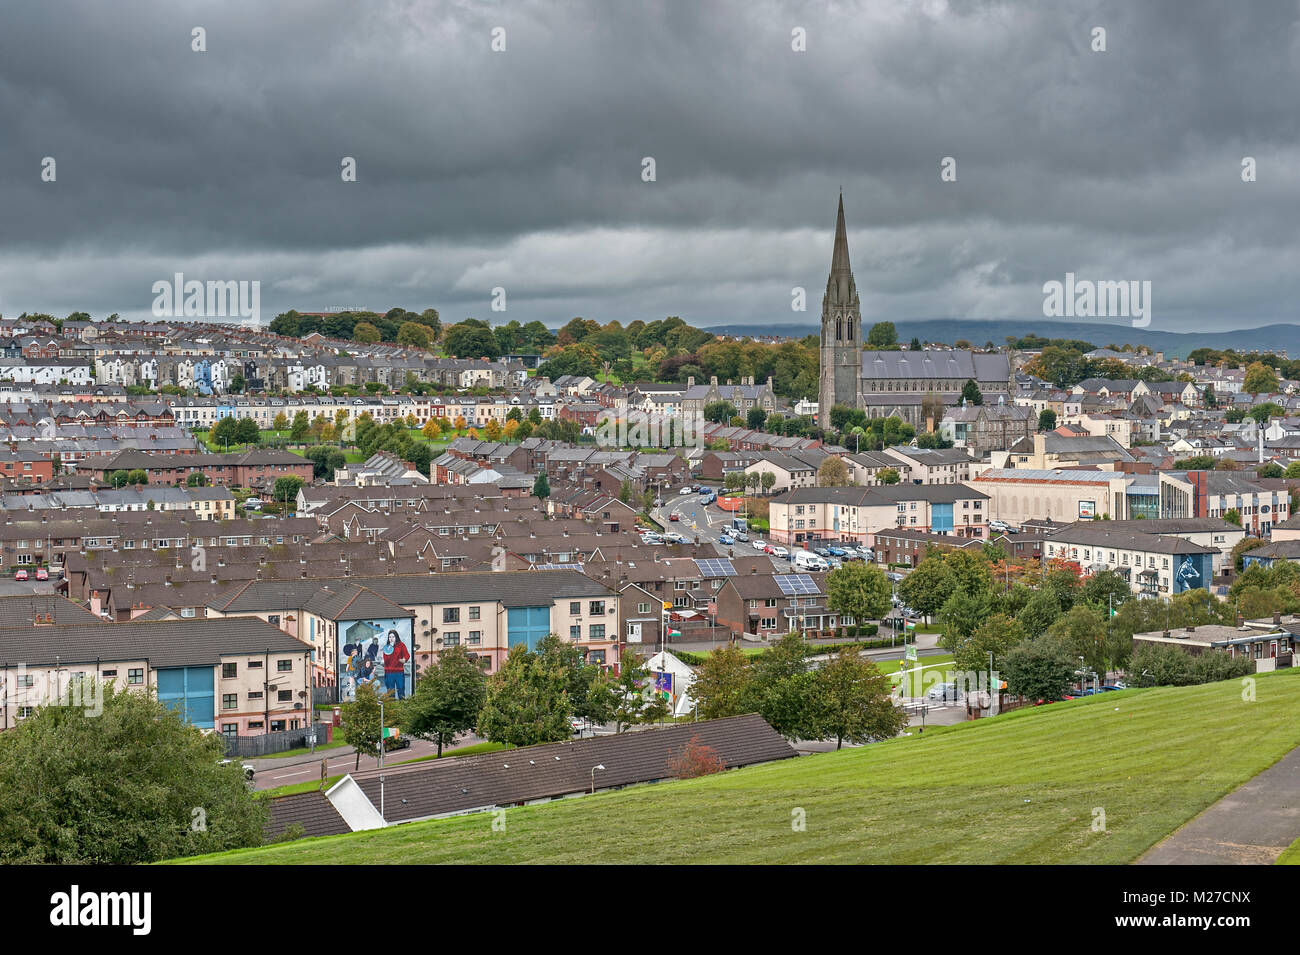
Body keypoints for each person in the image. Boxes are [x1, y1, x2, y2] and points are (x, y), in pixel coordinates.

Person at [381, 629, 410, 699]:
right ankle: (392, 707)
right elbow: (386, 660)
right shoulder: (386, 647)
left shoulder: (401, 645)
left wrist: (404, 660)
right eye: (390, 637)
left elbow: (407, 655)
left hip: (399, 671)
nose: (391, 639)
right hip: (389, 672)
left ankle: (402, 705)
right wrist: (390, 648)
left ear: (396, 637)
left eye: (393, 637)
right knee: (390, 691)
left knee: (401, 688)